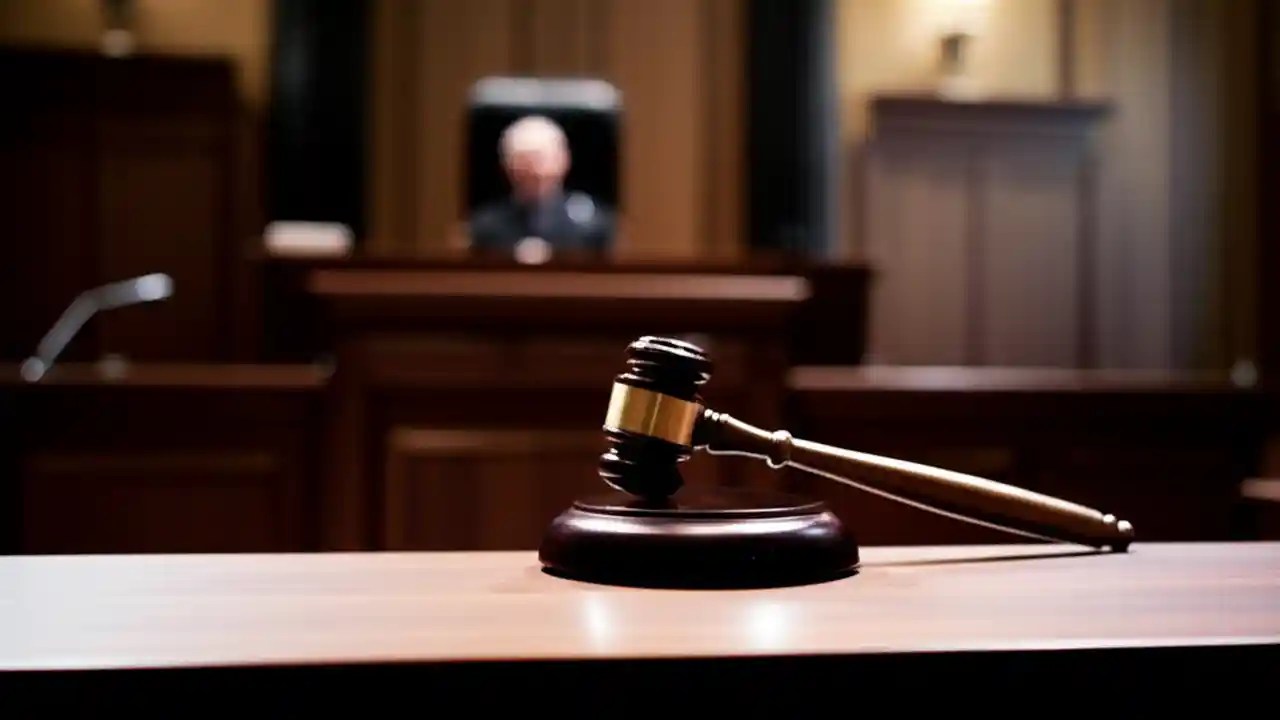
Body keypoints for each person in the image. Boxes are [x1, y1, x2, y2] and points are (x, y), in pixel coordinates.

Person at [468, 115, 614, 259]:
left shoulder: (592, 226)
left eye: (542, 160)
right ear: (506, 166)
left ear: (563, 161)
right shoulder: (484, 229)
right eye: (524, 162)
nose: (535, 171)